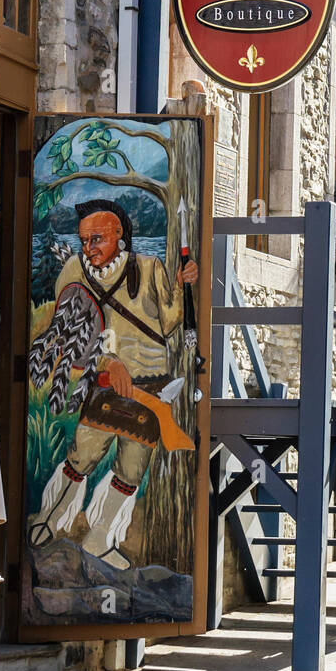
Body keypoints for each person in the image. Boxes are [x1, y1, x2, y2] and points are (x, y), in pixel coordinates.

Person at [28, 199, 198, 568]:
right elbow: (68, 328)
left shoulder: (150, 268)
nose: (89, 248)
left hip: (151, 386)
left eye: (98, 239)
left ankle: (100, 539)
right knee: (82, 457)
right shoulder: (74, 269)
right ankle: (50, 520)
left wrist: (183, 287)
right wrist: (106, 361)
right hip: (103, 382)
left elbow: (168, 322)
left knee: (131, 471)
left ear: (119, 234)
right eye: (84, 240)